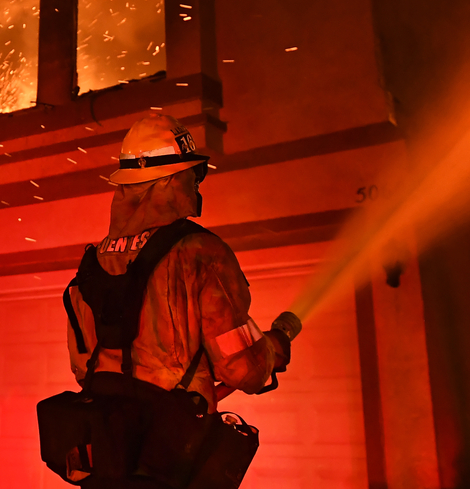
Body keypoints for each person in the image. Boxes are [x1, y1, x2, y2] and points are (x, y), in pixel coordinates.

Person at [51, 113, 301, 488]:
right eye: (192, 174)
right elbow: (242, 368)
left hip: (107, 462)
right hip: (172, 464)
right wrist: (276, 345)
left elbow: (84, 366)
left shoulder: (92, 264)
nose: (196, 183)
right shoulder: (199, 253)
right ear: (168, 180)